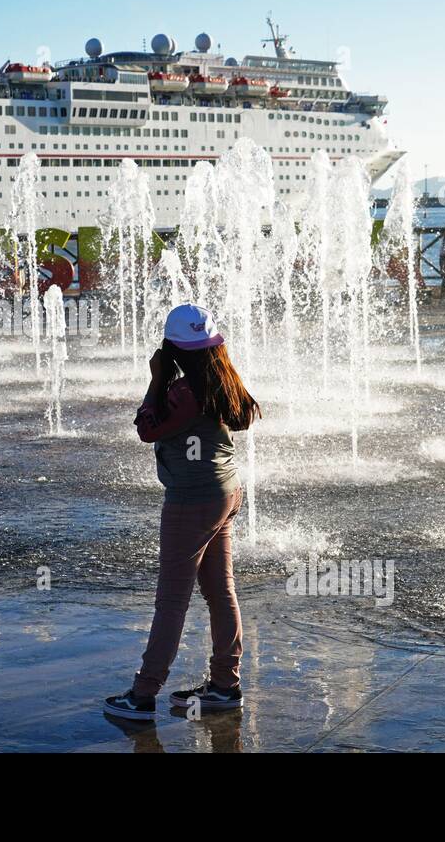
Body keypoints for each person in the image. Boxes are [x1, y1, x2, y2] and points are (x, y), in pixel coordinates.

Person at [104, 303, 262, 721]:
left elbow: (146, 428)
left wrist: (157, 378)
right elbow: (243, 418)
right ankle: (226, 685)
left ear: (174, 348)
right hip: (226, 492)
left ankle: (143, 693)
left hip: (192, 501)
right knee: (219, 591)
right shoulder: (220, 380)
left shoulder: (181, 392)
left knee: (171, 601)